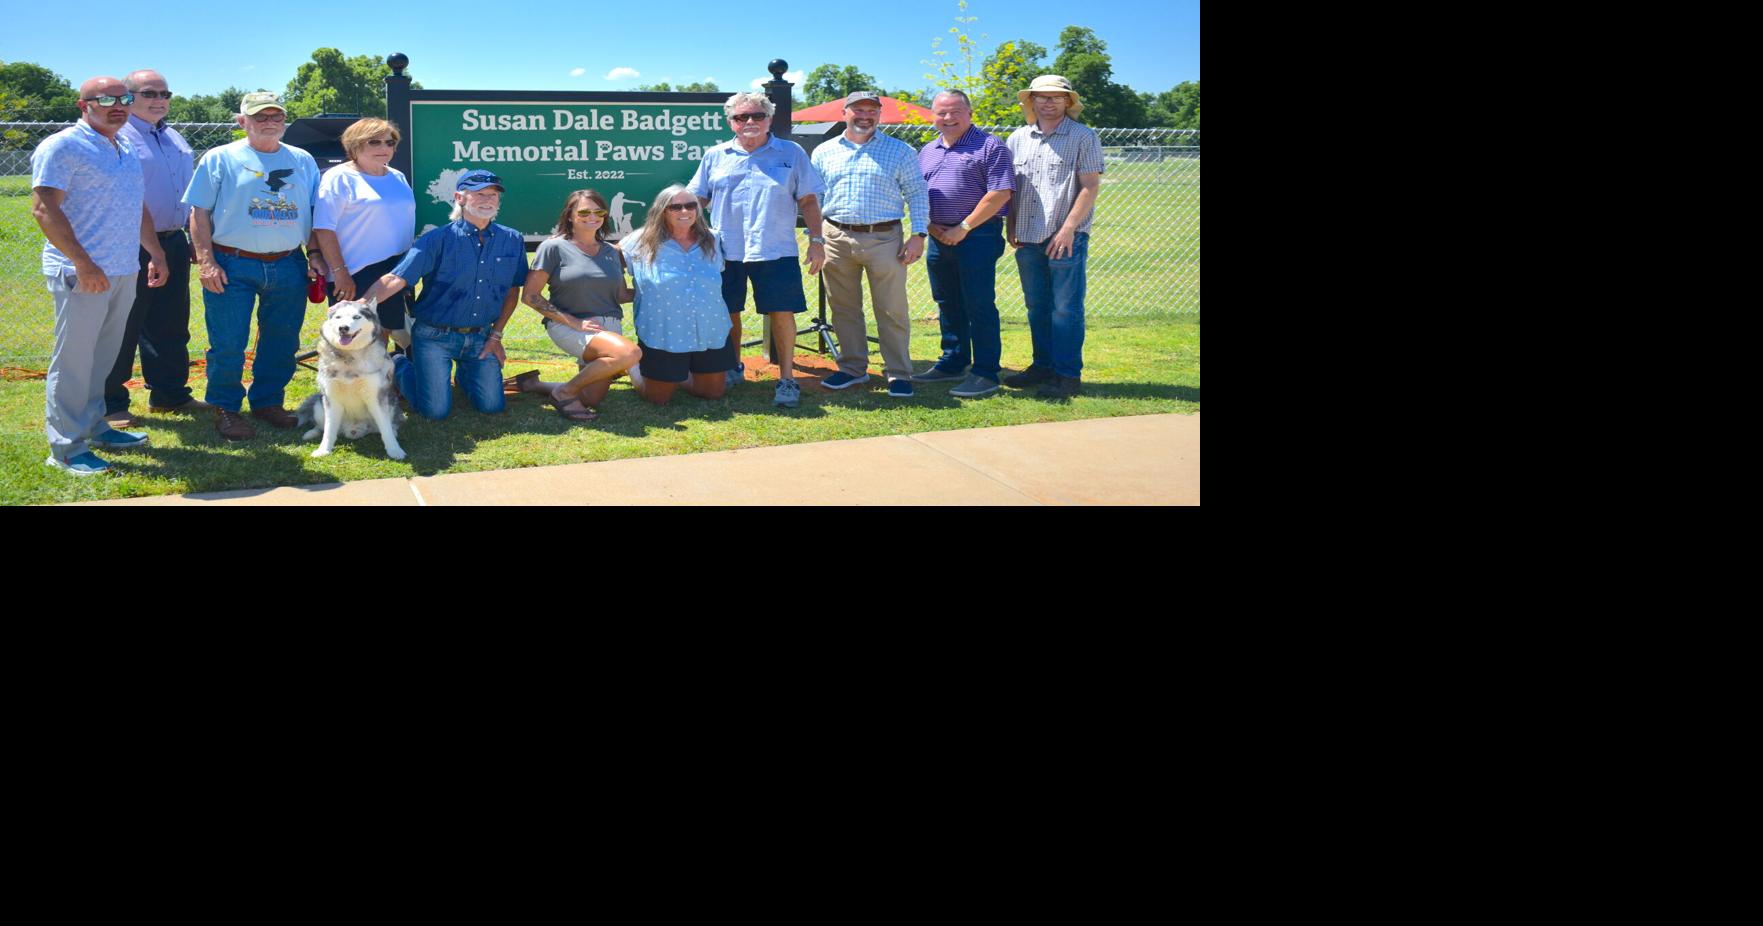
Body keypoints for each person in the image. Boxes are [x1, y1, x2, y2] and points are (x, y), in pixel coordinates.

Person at [32, 76, 169, 475]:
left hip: (123, 269)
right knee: (74, 362)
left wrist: (155, 251)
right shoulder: (62, 146)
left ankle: (95, 426)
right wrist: (83, 264)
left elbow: (136, 203)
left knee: (101, 359)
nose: (117, 105)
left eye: (124, 98)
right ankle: (66, 448)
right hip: (82, 273)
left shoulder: (123, 144)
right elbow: (44, 209)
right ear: (83, 104)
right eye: (105, 99)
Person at [181, 90, 325, 441]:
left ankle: (267, 402)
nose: (270, 122)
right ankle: (226, 408)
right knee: (229, 342)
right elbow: (198, 212)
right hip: (232, 262)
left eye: (276, 116)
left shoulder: (303, 160)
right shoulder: (220, 158)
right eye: (260, 117)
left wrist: (315, 254)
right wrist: (206, 261)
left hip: (289, 263)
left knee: (281, 339)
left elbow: (315, 212)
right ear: (241, 121)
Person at [689, 91, 826, 408]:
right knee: (728, 311)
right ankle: (733, 368)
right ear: (730, 122)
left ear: (769, 119)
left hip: (775, 248)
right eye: (741, 117)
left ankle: (787, 379)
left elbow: (808, 200)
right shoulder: (715, 156)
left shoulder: (791, 153)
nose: (749, 122)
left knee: (782, 312)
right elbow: (698, 198)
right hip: (726, 249)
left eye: (756, 116)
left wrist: (817, 242)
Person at [360, 170, 525, 421]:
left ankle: (467, 373)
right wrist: (360, 305)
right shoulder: (436, 240)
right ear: (460, 197)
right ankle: (401, 364)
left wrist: (496, 335)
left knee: (492, 406)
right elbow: (396, 278)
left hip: (482, 336)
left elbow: (513, 291)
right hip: (434, 337)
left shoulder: (512, 239)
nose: (487, 200)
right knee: (434, 412)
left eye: (492, 195)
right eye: (479, 194)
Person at [104, 68, 209, 428]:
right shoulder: (118, 136)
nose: (159, 100)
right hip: (129, 244)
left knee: (170, 324)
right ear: (128, 98)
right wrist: (154, 250)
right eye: (149, 93)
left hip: (173, 239)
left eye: (165, 94)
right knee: (123, 324)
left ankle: (170, 394)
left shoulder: (173, 137)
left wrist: (191, 239)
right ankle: (110, 402)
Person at [810, 90, 931, 399]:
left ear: (880, 114)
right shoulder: (824, 152)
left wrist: (918, 234)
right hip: (836, 236)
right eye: (858, 110)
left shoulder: (900, 151)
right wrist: (817, 238)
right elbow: (816, 198)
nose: (865, 115)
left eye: (872, 110)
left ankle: (899, 372)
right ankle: (853, 368)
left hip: (885, 238)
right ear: (844, 113)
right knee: (844, 307)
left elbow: (917, 192)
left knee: (891, 309)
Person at [1005, 76, 1104, 399]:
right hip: (1028, 235)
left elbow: (1089, 186)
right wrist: (1011, 224)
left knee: (1065, 308)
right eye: (1042, 97)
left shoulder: (1082, 137)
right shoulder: (1018, 138)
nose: (1048, 103)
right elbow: (1012, 188)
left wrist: (1068, 229)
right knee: (1037, 306)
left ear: (1068, 102)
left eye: (1056, 98)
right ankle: (1042, 366)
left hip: (1065, 236)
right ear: (1031, 102)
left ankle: (1067, 374)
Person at [912, 90, 1014, 398]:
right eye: (941, 112)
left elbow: (1000, 193)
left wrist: (964, 227)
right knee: (947, 301)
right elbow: (919, 192)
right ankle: (953, 361)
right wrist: (930, 225)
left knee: (978, 304)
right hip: (938, 236)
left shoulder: (990, 146)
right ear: (933, 116)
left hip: (977, 236)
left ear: (969, 113)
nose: (948, 118)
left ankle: (986, 372)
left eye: (955, 111)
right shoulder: (927, 150)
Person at [513, 189, 643, 421]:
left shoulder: (611, 252)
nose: (592, 216)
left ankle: (535, 384)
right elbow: (530, 296)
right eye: (584, 211)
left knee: (591, 398)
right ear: (570, 215)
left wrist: (654, 291)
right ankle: (564, 392)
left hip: (609, 327)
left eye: (599, 211)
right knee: (629, 353)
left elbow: (621, 294)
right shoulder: (553, 247)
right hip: (570, 326)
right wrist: (574, 322)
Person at [618, 185, 735, 405]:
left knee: (713, 393)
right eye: (676, 207)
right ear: (662, 211)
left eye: (690, 205)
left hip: (709, 329)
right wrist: (620, 292)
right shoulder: (639, 242)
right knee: (658, 399)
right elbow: (605, 263)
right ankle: (632, 365)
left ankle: (677, 376)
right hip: (664, 332)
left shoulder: (714, 240)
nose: (685, 211)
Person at [313, 117, 416, 351]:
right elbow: (323, 227)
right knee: (359, 343)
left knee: (390, 338)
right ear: (355, 145)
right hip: (354, 273)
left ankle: (387, 387)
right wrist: (340, 272)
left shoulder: (397, 176)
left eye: (389, 143)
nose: (384, 148)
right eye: (374, 142)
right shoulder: (338, 177)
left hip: (396, 272)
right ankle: (357, 388)